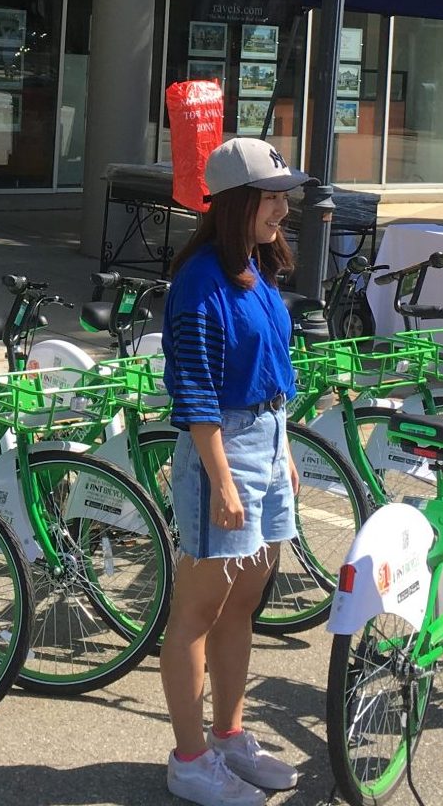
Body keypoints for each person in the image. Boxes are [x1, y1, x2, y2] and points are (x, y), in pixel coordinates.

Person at [158, 136, 311, 806]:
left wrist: (286, 451)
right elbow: (194, 392)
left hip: (266, 438)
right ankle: (189, 759)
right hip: (221, 446)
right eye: (271, 196)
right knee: (196, 610)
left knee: (242, 600)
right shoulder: (199, 282)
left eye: (282, 195)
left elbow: (273, 365)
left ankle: (228, 734)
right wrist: (221, 480)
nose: (282, 207)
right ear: (235, 203)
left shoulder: (259, 266)